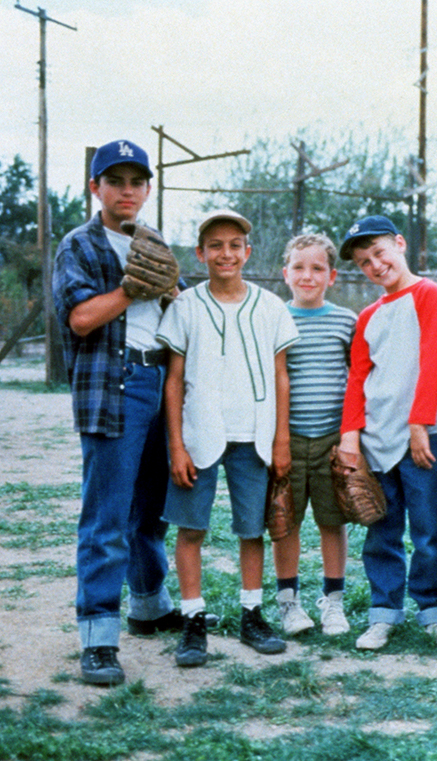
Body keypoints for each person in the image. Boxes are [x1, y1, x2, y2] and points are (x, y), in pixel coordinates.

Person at [52, 139, 180, 685]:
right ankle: (98, 636)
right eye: (115, 181)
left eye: (136, 182)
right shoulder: (79, 244)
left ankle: (149, 604)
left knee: (150, 508)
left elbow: (174, 307)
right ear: (95, 188)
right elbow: (81, 319)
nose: (127, 191)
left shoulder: (154, 241)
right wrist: (131, 288)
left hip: (159, 377)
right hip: (115, 380)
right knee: (106, 516)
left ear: (147, 189)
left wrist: (171, 291)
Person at [157, 210, 299, 667]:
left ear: (247, 252)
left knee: (251, 528)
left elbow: (281, 377)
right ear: (199, 254)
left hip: (254, 432)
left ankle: (252, 612)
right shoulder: (186, 306)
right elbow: (174, 380)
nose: (226, 253)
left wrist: (281, 439)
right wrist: (176, 445)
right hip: (201, 432)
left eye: (235, 244)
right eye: (215, 245)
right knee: (192, 527)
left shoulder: (270, 305)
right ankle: (193, 618)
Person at [337, 215, 437, 651]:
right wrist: (351, 436)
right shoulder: (368, 315)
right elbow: (358, 379)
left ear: (400, 245)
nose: (375, 264)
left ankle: (434, 610)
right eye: (364, 261)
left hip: (421, 437)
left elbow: (433, 362)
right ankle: (384, 611)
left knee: (428, 529)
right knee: (381, 530)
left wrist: (419, 423)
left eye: (380, 252)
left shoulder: (428, 295)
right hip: (376, 439)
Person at [272, 234, 357, 637]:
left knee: (332, 520)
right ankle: (288, 603)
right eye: (299, 267)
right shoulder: (273, 318)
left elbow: (356, 380)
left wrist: (348, 436)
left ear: (332, 276)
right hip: (285, 438)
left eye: (318, 268)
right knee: (285, 521)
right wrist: (277, 438)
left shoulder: (345, 321)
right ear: (285, 273)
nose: (308, 276)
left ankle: (334, 602)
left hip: (332, 440)